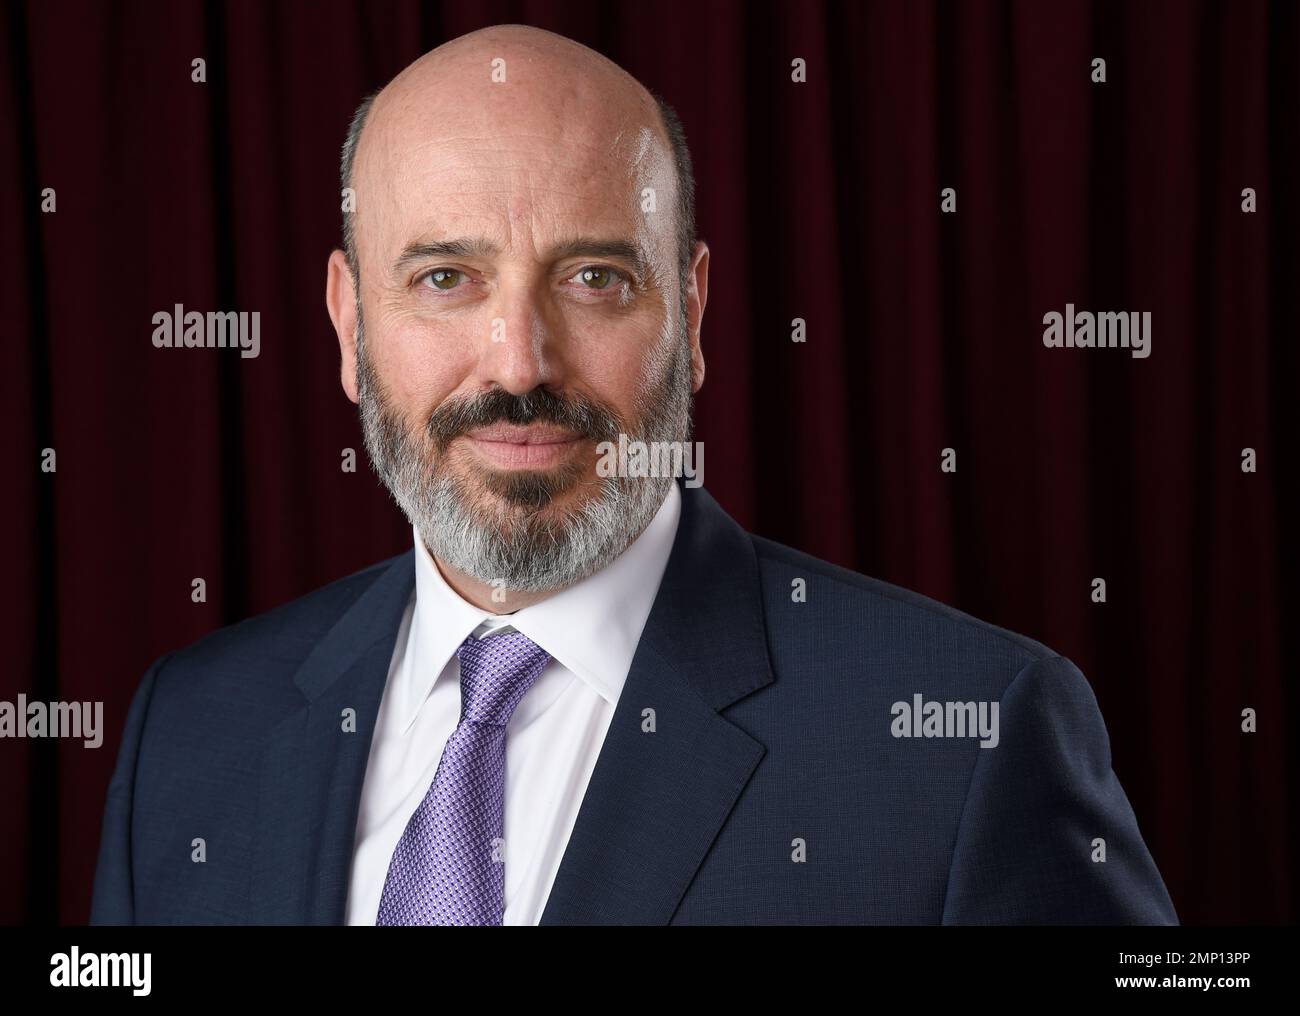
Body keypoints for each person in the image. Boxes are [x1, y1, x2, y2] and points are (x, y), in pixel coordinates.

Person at [90, 23, 1177, 925]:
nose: (519, 363)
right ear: (348, 323)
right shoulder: (191, 734)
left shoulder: (969, 739)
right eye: (443, 277)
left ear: (690, 313)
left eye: (596, 277)